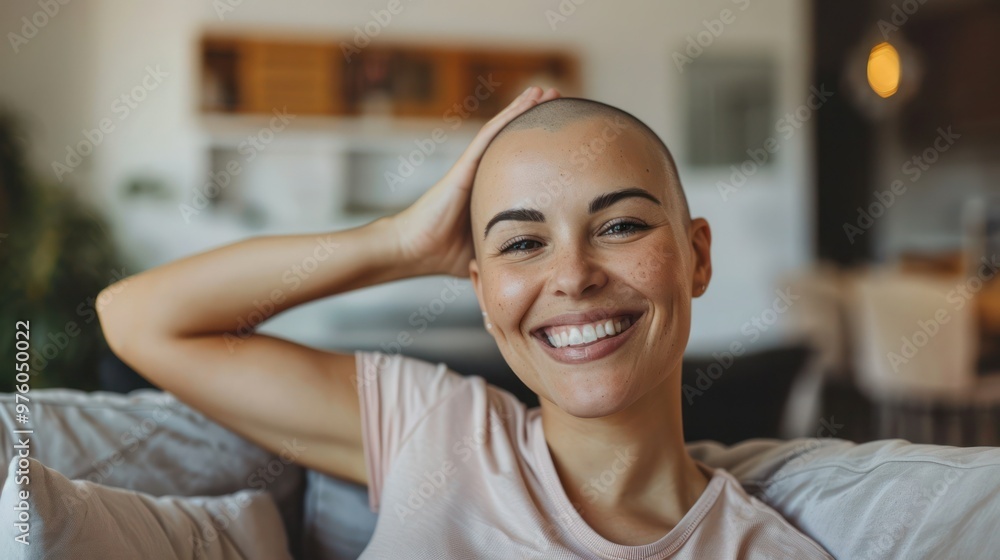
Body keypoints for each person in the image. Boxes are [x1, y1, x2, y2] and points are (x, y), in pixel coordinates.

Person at [97, 86, 833, 558]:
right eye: (523, 243)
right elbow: (136, 319)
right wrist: (397, 242)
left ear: (696, 256)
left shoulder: (766, 550)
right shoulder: (437, 428)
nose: (573, 276)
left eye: (619, 227)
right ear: (483, 294)